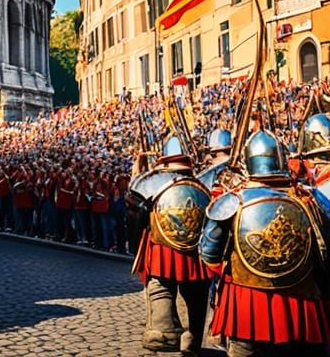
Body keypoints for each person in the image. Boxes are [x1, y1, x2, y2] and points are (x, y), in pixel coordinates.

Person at [199, 129, 329, 357]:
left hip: (245, 299)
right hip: (300, 297)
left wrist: (239, 273)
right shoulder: (308, 197)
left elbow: (209, 253)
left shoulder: (232, 200)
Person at [128, 135, 211, 356]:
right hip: (195, 250)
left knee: (161, 286)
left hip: (163, 247)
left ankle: (163, 331)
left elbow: (133, 193)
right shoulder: (201, 184)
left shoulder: (154, 182)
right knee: (197, 297)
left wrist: (138, 167)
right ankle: (191, 339)